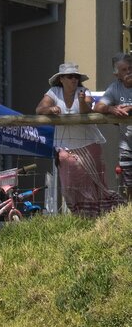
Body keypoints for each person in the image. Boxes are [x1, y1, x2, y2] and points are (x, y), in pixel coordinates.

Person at [38, 62, 113, 215]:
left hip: (89, 144)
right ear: (61, 79)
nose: (74, 79)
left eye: (76, 77)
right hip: (65, 147)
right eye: (70, 76)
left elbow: (86, 110)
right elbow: (39, 109)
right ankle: (80, 217)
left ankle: (99, 218)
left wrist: (82, 100)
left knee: (96, 185)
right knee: (69, 187)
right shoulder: (53, 92)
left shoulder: (84, 91)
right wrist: (50, 109)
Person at [101, 54, 132, 201]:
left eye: (130, 68)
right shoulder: (115, 87)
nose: (129, 72)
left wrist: (130, 108)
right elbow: (97, 106)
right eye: (124, 69)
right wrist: (111, 109)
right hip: (126, 145)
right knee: (128, 184)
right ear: (117, 74)